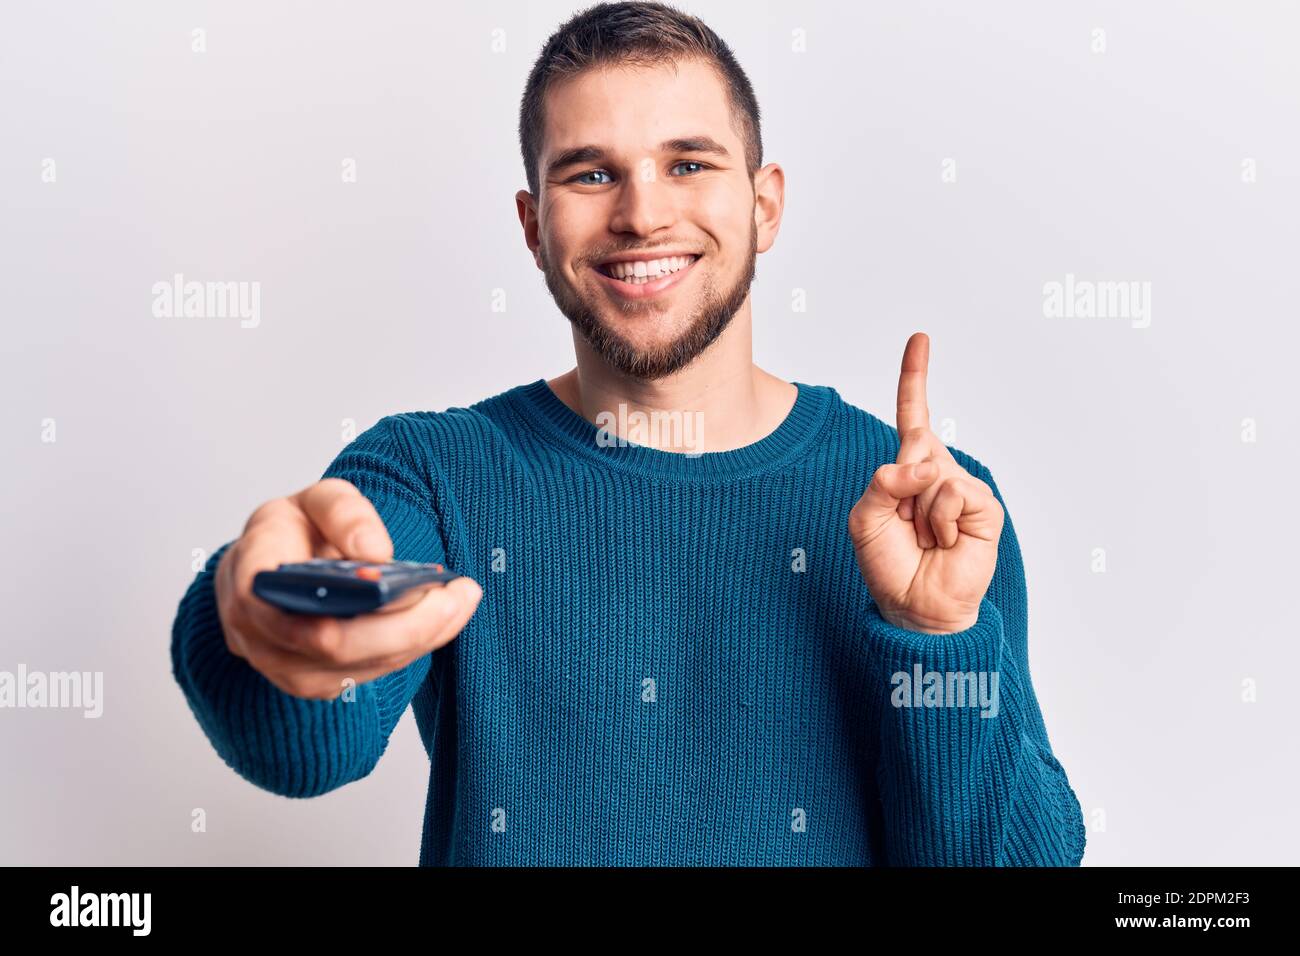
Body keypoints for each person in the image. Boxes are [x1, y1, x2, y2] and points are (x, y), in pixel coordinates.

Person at [171, 0, 1086, 866]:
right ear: (533, 226)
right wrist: (251, 616)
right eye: (591, 171)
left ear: (765, 204)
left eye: (688, 162)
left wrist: (938, 633)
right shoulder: (431, 477)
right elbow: (304, 744)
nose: (642, 213)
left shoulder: (932, 508)